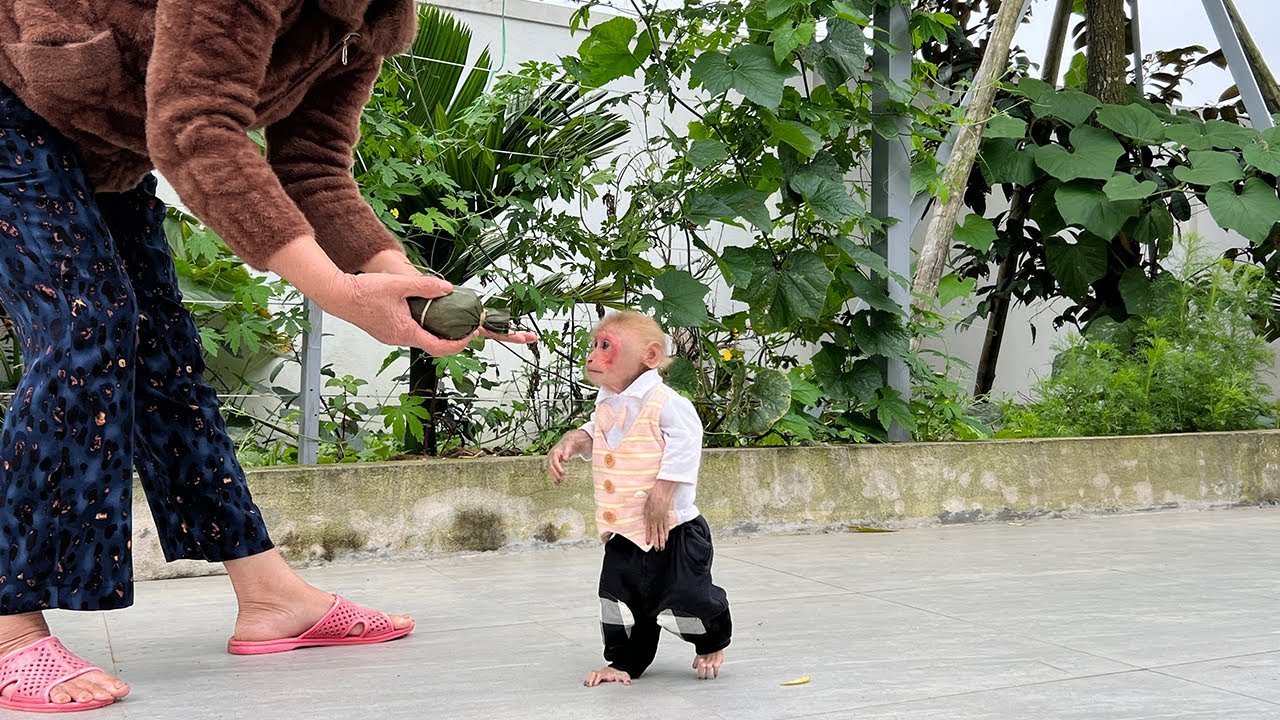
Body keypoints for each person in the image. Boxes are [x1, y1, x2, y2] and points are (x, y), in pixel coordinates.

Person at [0, 0, 535, 712]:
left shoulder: (369, 19)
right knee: (86, 330)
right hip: (10, 108)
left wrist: (404, 288)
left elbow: (313, 166)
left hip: (105, 153)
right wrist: (340, 293)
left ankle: (272, 597)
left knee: (167, 364)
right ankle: (8, 626)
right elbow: (196, 127)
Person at [547, 312, 731, 687]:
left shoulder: (666, 402)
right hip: (624, 533)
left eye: (605, 346)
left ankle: (711, 638)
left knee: (685, 597)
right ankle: (625, 662)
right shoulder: (609, 402)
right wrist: (573, 441)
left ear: (649, 356)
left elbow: (687, 440)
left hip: (673, 530)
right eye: (593, 345)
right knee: (619, 601)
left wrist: (661, 493)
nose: (592, 355)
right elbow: (598, 432)